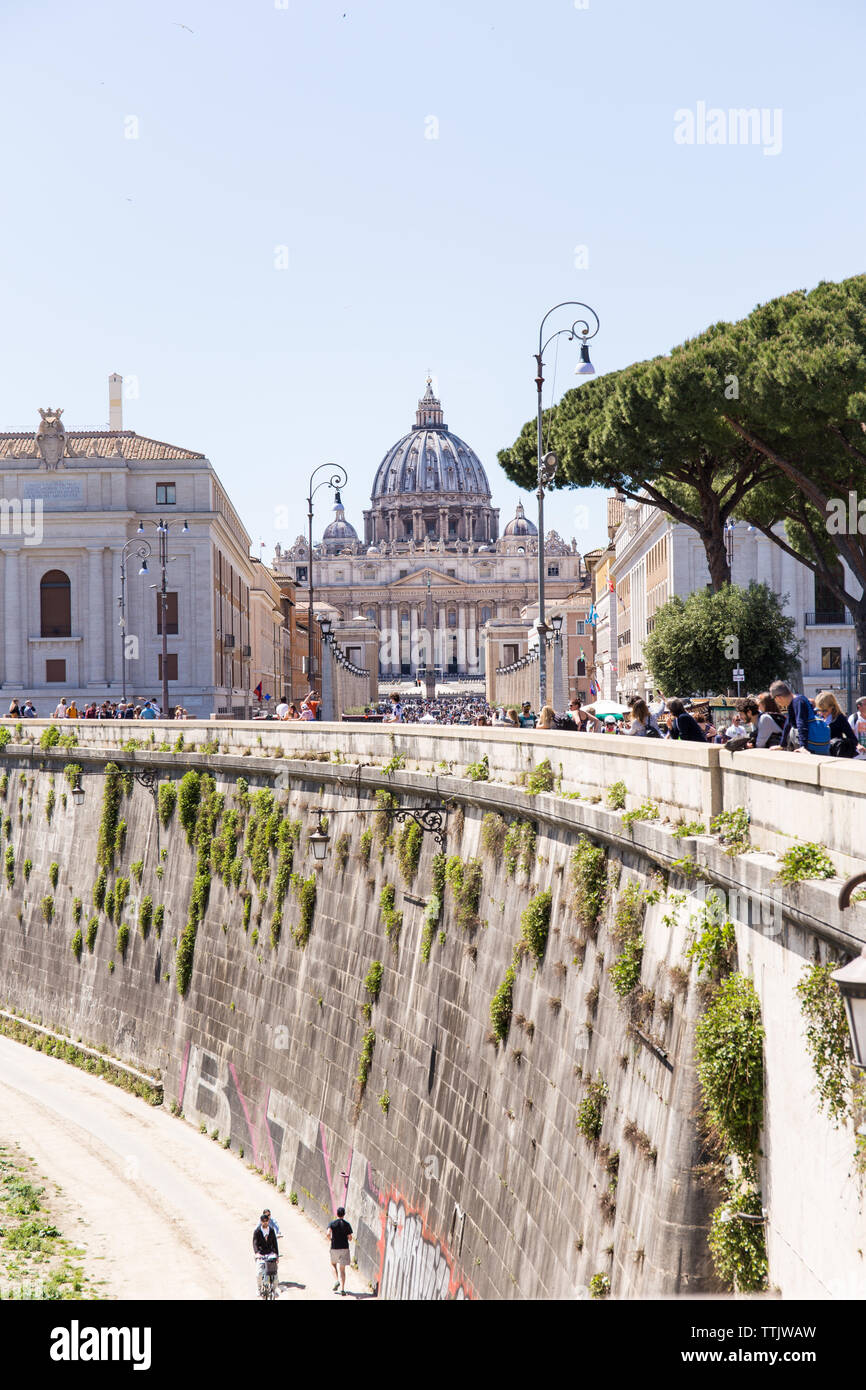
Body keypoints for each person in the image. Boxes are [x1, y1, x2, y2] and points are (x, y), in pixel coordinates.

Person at [769, 680, 828, 754]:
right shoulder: (796, 700)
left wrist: (803, 746)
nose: (776, 702)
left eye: (774, 699)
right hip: (814, 740)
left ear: (779, 697)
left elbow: (801, 722)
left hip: (810, 743)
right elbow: (788, 724)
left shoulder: (797, 702)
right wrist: (782, 745)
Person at [815, 690, 858, 757]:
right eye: (819, 710)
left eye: (825, 710)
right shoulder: (817, 717)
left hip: (833, 754)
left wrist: (837, 742)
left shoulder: (839, 718)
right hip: (819, 753)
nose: (822, 713)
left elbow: (853, 739)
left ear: (832, 707)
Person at [326, 1206, 353, 1296]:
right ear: (344, 1215)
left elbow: (328, 1233)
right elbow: (350, 1238)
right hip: (344, 1248)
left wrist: (331, 1239)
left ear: (337, 1214)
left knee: (333, 1264)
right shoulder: (347, 1224)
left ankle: (336, 1280)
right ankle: (343, 1289)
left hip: (335, 1247)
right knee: (342, 1270)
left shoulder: (332, 1224)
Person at [253, 1211, 279, 1296]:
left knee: (274, 1274)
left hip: (270, 1253)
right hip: (261, 1254)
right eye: (263, 1221)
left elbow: (275, 1243)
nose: (265, 1223)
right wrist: (257, 1253)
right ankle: (259, 1288)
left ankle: (274, 1290)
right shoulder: (257, 1231)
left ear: (268, 1221)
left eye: (266, 1221)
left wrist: (276, 1255)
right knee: (259, 1273)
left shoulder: (271, 1230)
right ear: (261, 1222)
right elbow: (255, 1243)